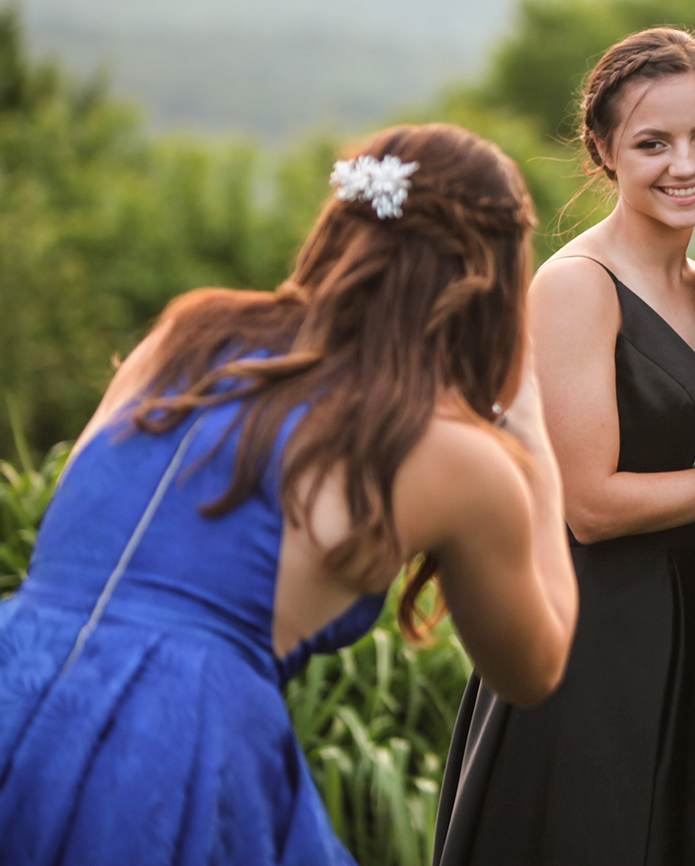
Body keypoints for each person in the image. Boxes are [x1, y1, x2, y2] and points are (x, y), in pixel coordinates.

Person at [0, 123, 578, 866]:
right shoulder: (446, 448)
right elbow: (536, 664)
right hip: (174, 733)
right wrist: (531, 443)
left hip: (19, 655)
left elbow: (75, 523)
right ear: (491, 282)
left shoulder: (189, 332)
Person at [434, 27, 695, 865]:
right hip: (604, 649)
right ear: (603, 150)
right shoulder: (578, 287)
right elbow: (590, 505)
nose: (685, 165)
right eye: (652, 143)